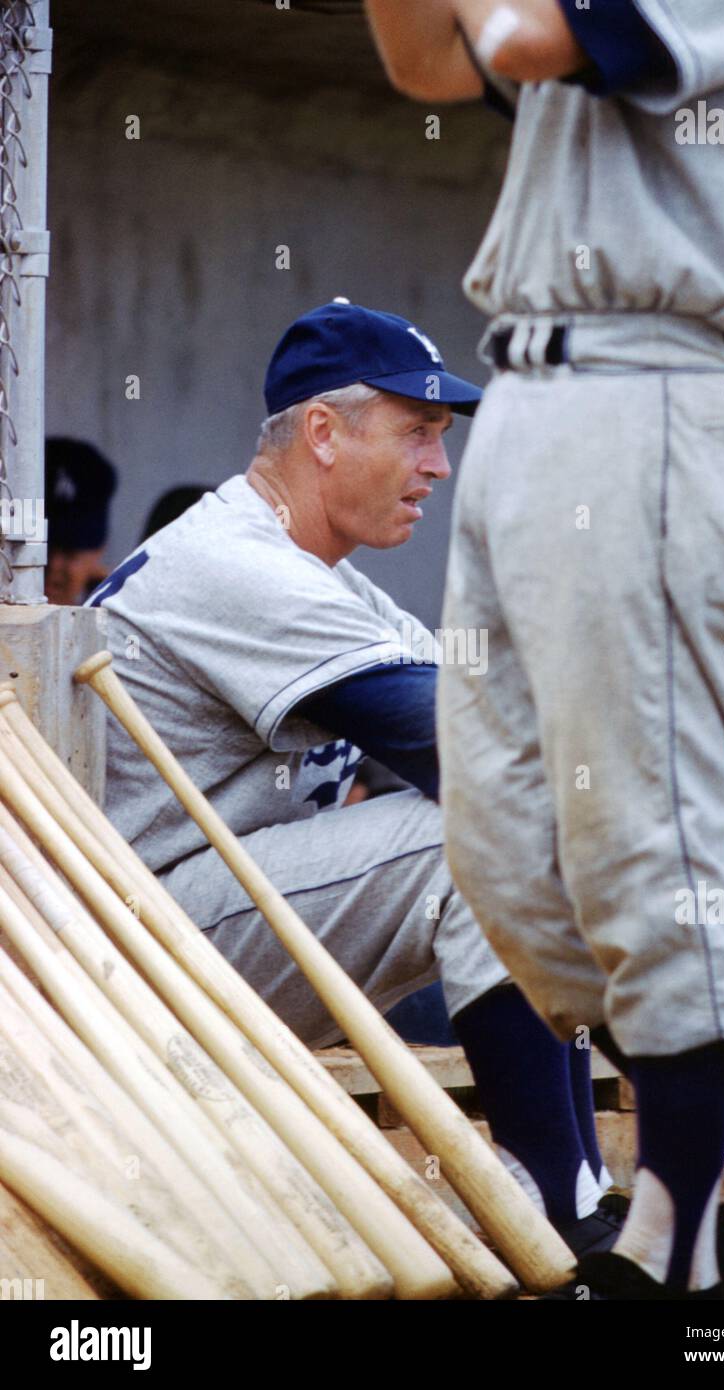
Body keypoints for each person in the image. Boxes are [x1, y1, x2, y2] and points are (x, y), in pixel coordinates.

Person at [366, 0, 724, 1298]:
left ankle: (673, 1242)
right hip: (529, 387)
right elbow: (429, 56)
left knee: (643, 840)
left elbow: (522, 38)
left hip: (655, 386)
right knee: (506, 857)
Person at [87, 301, 627, 1269]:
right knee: (475, 842)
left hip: (189, 930)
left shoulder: (316, 568)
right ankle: (560, 1207)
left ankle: (575, 1196)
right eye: (417, 429)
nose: (439, 462)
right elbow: (467, 754)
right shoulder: (235, 561)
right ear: (324, 433)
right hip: (122, 964)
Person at [45, 438, 117, 605]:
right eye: (42, 546)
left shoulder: (111, 615)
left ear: (98, 551)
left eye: (70, 552)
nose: (53, 565)